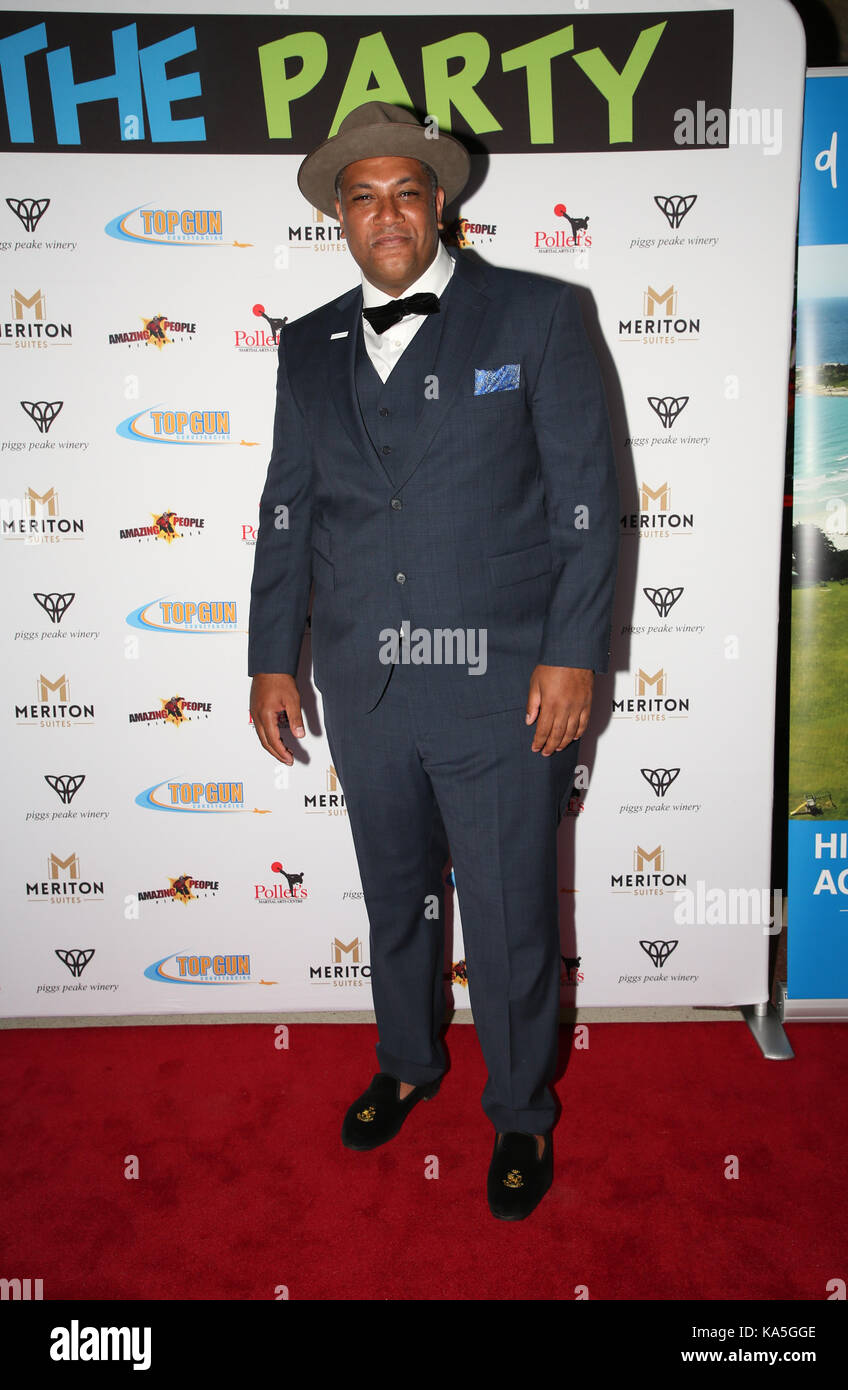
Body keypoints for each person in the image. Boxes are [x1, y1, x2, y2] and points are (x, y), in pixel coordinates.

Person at [249, 102, 619, 1220]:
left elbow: (587, 503)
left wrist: (571, 653)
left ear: (439, 202)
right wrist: (272, 656)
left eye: (404, 192)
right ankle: (408, 1061)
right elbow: (287, 507)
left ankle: (520, 1111)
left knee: (508, 913)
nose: (386, 215)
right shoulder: (306, 343)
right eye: (361, 198)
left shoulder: (539, 314)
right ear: (338, 217)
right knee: (395, 898)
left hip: (503, 685)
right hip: (364, 683)